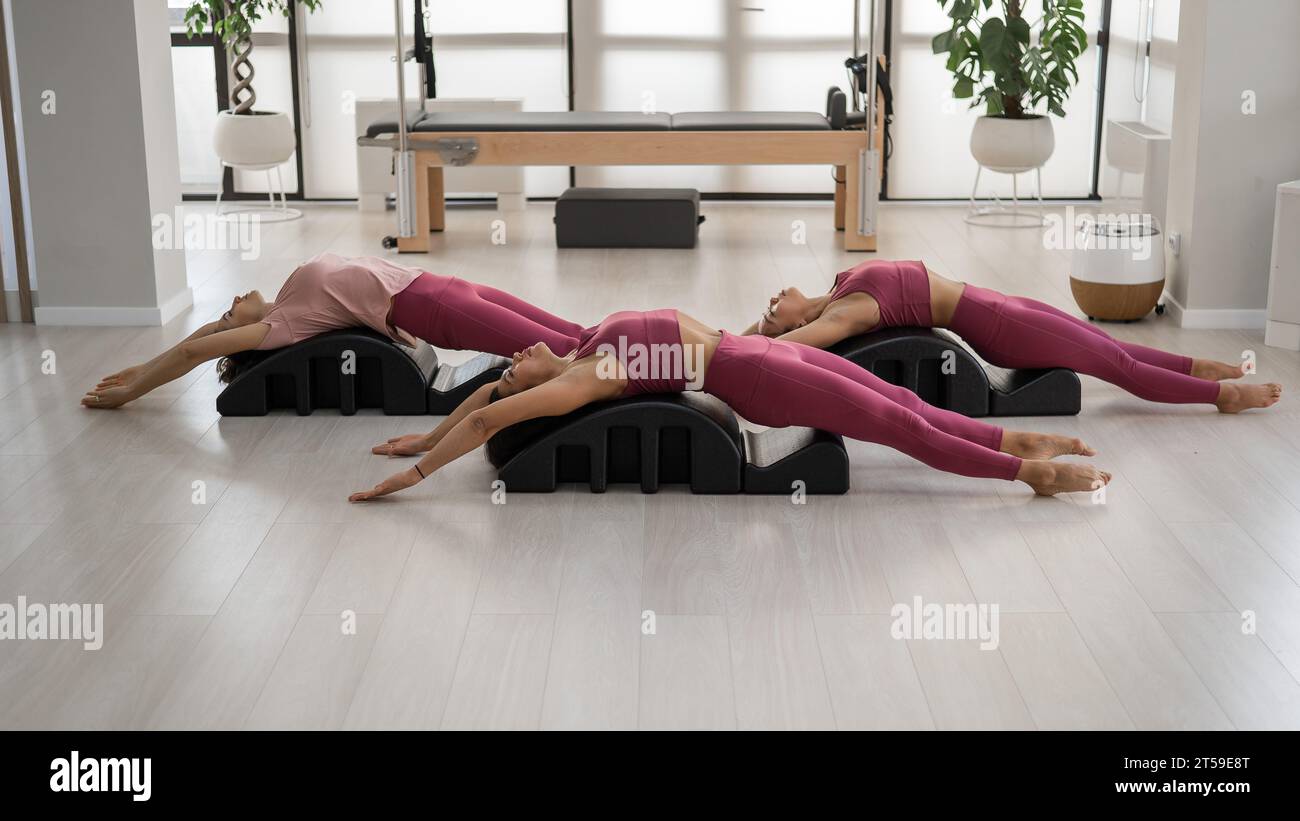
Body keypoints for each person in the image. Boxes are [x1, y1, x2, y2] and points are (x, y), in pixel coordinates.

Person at [351, 308, 1110, 502]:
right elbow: (488, 416)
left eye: (508, 366)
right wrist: (415, 477)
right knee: (896, 424)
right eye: (517, 375)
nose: (512, 362)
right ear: (541, 394)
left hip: (760, 355)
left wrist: (425, 432)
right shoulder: (588, 375)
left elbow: (478, 400)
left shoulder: (581, 344)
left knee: (896, 393)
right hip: (764, 384)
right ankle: (1023, 474)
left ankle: (1014, 436)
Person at [742, 259, 1282, 414]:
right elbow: (790, 346)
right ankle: (1224, 396)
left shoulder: (838, 289)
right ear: (797, 322)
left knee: (1112, 347)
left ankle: (1199, 368)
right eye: (772, 312)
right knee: (1117, 367)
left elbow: (779, 332)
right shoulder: (846, 313)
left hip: (1001, 305)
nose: (771, 301)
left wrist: (753, 331)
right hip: (1004, 330)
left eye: (768, 308)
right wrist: (763, 338)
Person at [81, 252, 585, 409]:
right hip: (435, 310)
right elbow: (197, 351)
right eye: (229, 315)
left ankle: (648, 347)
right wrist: (132, 390)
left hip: (441, 284)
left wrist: (139, 364)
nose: (232, 303)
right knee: (563, 349)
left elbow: (198, 343)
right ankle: (640, 376)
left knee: (572, 331)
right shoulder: (283, 324)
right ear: (245, 333)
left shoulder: (287, 295)